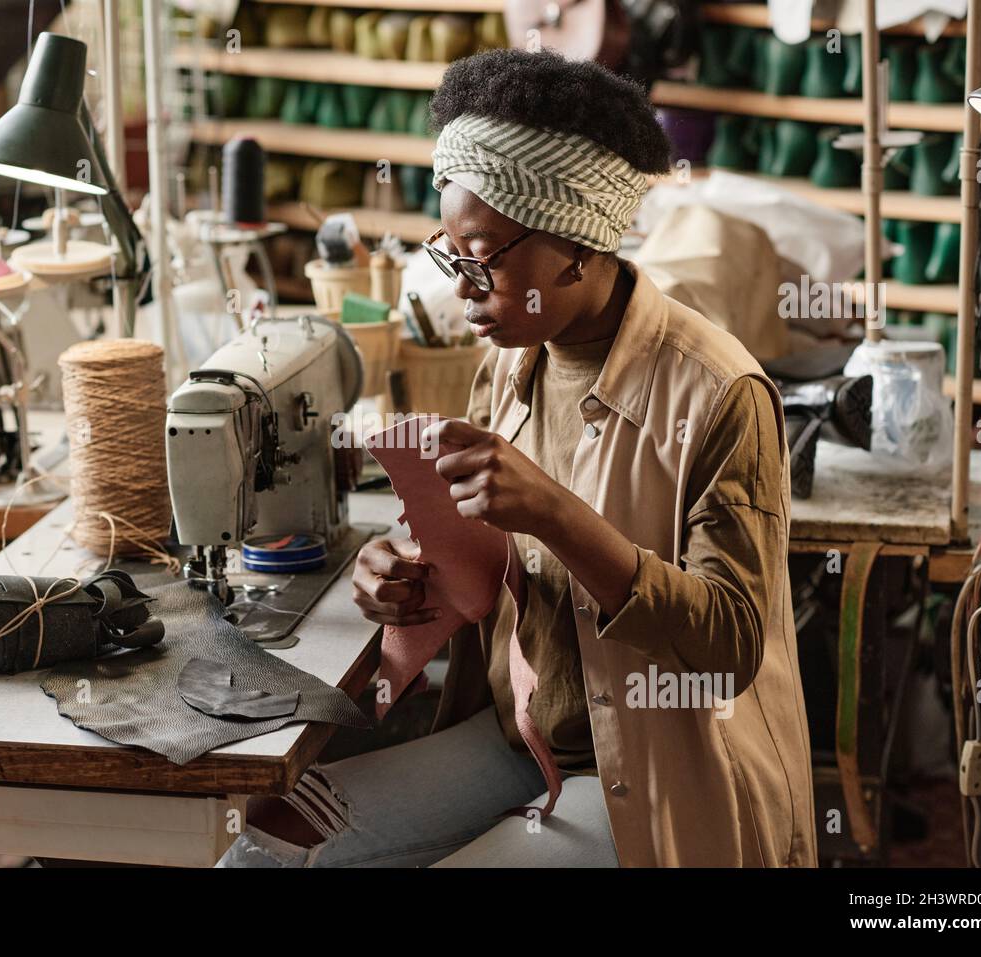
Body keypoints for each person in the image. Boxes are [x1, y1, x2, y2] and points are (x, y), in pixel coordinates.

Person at [218, 48, 816, 868]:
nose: (463, 287)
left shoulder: (718, 394)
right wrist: (409, 570)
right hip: (520, 734)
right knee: (266, 839)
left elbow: (732, 642)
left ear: (574, 244)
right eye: (450, 253)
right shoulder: (513, 358)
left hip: (651, 762)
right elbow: (492, 554)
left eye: (484, 255)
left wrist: (556, 513)